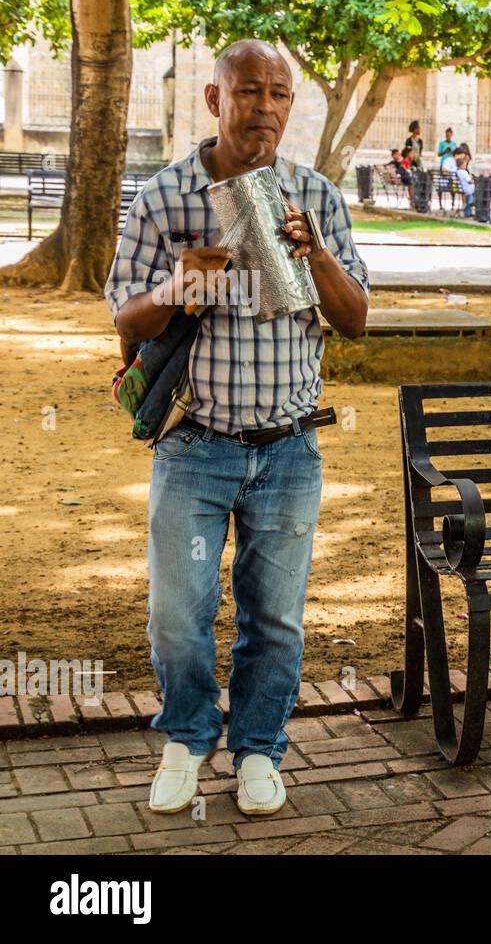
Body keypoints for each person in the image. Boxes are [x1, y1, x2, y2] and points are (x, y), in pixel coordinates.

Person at [104, 40, 369, 816]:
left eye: (280, 94)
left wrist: (313, 252)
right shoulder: (164, 197)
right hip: (194, 445)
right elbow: (123, 315)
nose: (266, 107)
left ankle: (259, 748)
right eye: (249, 91)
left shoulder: (314, 196)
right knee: (176, 613)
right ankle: (189, 735)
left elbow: (355, 319)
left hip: (290, 447)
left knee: (276, 619)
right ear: (215, 100)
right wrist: (179, 286)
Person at [454, 151, 475, 218]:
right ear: (461, 165)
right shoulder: (464, 172)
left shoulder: (457, 172)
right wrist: (473, 181)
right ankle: (470, 206)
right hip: (468, 188)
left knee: (469, 197)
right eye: (464, 165)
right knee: (474, 194)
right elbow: (469, 181)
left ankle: (468, 212)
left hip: (462, 188)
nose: (465, 166)